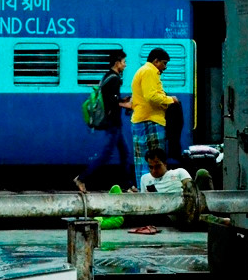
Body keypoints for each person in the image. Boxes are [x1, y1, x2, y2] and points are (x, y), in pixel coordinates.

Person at [74, 49, 135, 193]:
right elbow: (111, 102)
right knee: (106, 155)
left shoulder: (108, 76)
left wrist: (122, 100)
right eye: (124, 62)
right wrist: (126, 104)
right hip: (113, 123)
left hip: (114, 124)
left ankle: (129, 185)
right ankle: (81, 178)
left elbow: (111, 98)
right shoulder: (114, 78)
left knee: (125, 153)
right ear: (117, 63)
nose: (125, 65)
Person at [130, 47, 179, 189]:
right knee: (155, 160)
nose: (165, 67)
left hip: (142, 120)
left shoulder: (143, 71)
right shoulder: (150, 71)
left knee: (143, 161)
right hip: (150, 121)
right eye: (164, 63)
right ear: (155, 61)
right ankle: (156, 192)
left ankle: (144, 192)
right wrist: (171, 100)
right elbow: (151, 96)